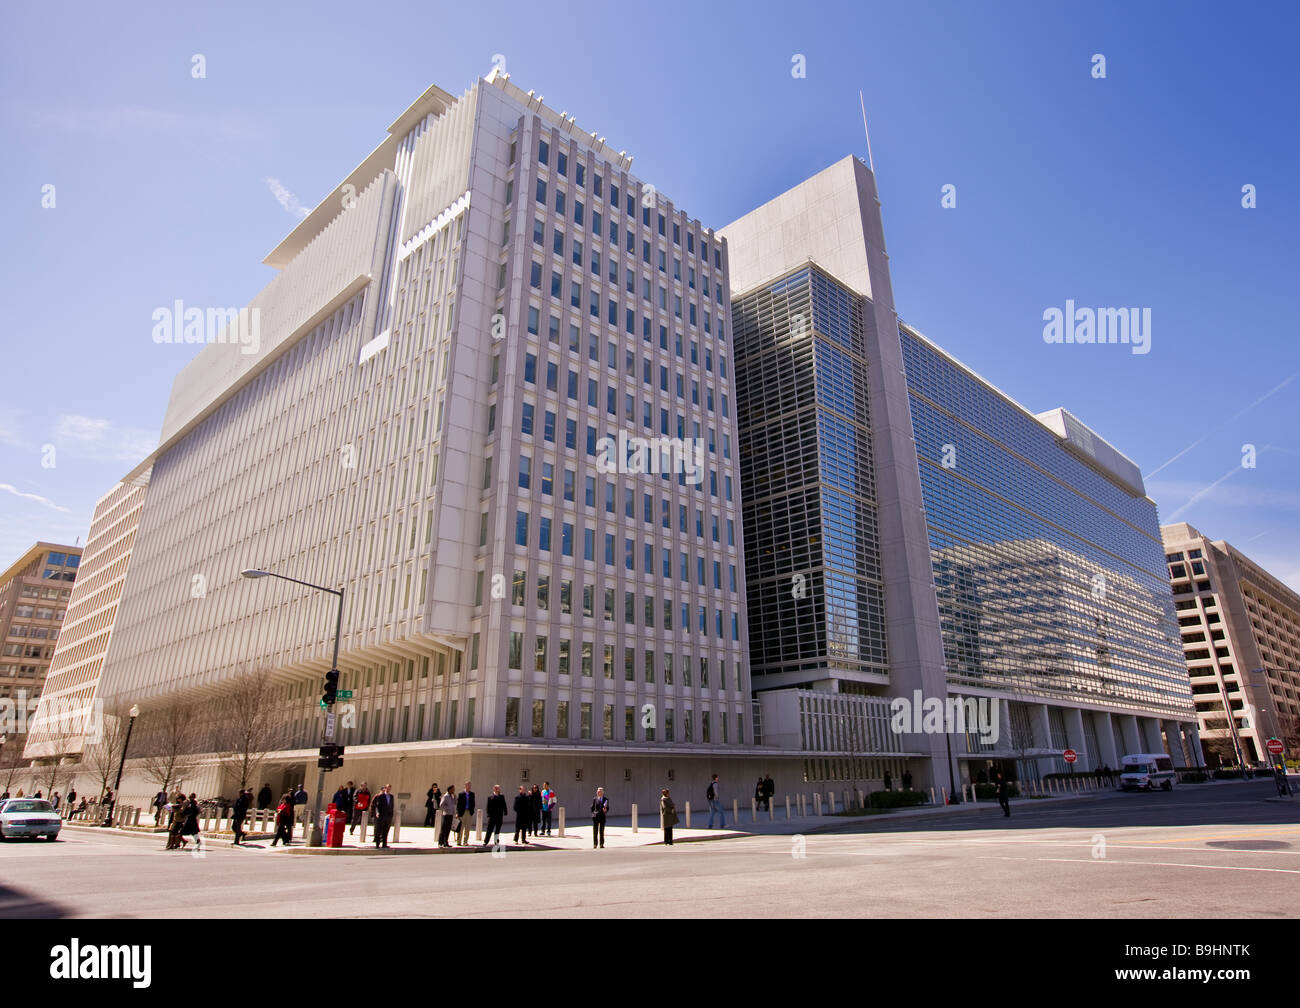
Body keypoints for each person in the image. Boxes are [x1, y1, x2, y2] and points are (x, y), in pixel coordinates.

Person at [372, 785, 396, 849]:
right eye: (387, 788)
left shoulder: (391, 796)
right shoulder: (381, 796)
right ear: (385, 789)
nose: (388, 790)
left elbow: (392, 806)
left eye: (389, 789)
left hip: (388, 816)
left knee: (386, 830)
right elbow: (377, 806)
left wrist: (391, 815)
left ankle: (384, 844)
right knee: (379, 830)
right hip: (381, 815)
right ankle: (377, 843)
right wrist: (377, 812)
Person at [456, 781, 476, 846]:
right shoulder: (461, 794)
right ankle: (459, 841)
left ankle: (465, 841)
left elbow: (473, 803)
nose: (469, 787)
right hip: (462, 812)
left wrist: (472, 811)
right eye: (468, 785)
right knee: (461, 828)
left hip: (469, 812)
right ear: (465, 786)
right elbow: (458, 805)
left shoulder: (472, 794)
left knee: (467, 828)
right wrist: (457, 813)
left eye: (470, 785)